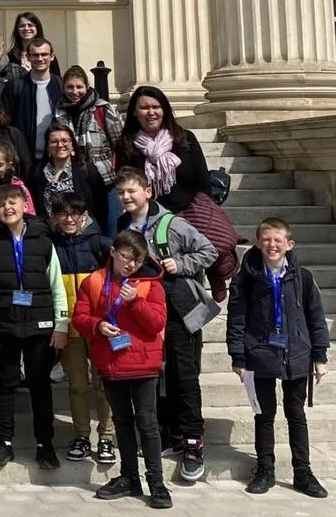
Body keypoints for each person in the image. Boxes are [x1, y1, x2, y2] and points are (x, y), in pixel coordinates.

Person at [114, 167, 219, 483]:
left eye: (131, 190)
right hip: (142, 310)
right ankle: (169, 434)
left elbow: (209, 251)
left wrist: (182, 264)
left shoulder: (172, 223)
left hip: (178, 311)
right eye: (121, 193)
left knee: (183, 376)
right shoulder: (122, 225)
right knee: (153, 374)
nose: (126, 197)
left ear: (148, 191)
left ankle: (192, 444)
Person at [227, 218, 330, 498]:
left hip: (296, 354)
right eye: (266, 239)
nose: (272, 245)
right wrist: (238, 355)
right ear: (258, 242)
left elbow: (316, 318)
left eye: (278, 240)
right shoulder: (246, 278)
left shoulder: (303, 277)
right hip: (259, 354)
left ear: (289, 244)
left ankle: (303, 472)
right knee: (264, 415)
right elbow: (236, 319)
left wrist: (320, 355)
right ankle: (265, 470)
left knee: (296, 414)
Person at [72, 230, 172, 509]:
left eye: (137, 261)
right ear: (113, 252)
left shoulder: (150, 284)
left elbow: (156, 323)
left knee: (148, 423)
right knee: (122, 421)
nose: (130, 265)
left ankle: (157, 482)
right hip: (112, 362)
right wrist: (97, 326)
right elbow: (79, 317)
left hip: (143, 364)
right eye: (127, 257)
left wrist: (135, 303)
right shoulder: (94, 281)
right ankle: (129, 477)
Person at [116, 85, 239, 301]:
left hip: (189, 212)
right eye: (144, 108)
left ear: (165, 109)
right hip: (153, 217)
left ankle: (215, 274)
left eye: (156, 106)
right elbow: (126, 181)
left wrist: (207, 210)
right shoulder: (127, 144)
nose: (151, 112)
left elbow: (202, 179)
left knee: (201, 263)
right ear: (135, 112)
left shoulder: (185, 138)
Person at [0, 184, 68, 469]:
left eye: (13, 202)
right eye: (1, 204)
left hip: (41, 324)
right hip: (4, 323)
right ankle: (3, 443)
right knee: (5, 384)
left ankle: (45, 444)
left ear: (25, 204)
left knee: (40, 385)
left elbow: (57, 284)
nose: (8, 208)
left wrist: (61, 324)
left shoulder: (43, 240)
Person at [49, 192, 116, 464]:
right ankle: (81, 435)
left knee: (102, 384)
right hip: (69, 328)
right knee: (77, 385)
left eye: (75, 213)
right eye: (63, 214)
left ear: (84, 216)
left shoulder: (99, 243)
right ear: (54, 217)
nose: (69, 219)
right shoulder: (50, 246)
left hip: (99, 328)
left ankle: (107, 437)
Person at [55, 65, 123, 237]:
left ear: (86, 86)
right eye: (70, 87)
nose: (74, 91)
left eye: (79, 87)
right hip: (78, 180)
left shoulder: (102, 109)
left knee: (111, 228)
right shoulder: (60, 111)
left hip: (106, 180)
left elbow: (120, 143)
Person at [28, 124, 106, 224]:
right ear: (47, 147)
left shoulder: (87, 170)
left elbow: (101, 205)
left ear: (72, 144)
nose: (60, 145)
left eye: (64, 140)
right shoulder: (38, 172)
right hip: (49, 232)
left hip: (82, 232)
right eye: (54, 142)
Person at [4, 39, 61, 160]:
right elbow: (5, 123)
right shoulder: (14, 86)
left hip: (55, 156)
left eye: (44, 54)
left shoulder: (61, 86)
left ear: (52, 57)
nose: (40, 59)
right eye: (35, 55)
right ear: (27, 57)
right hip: (23, 157)